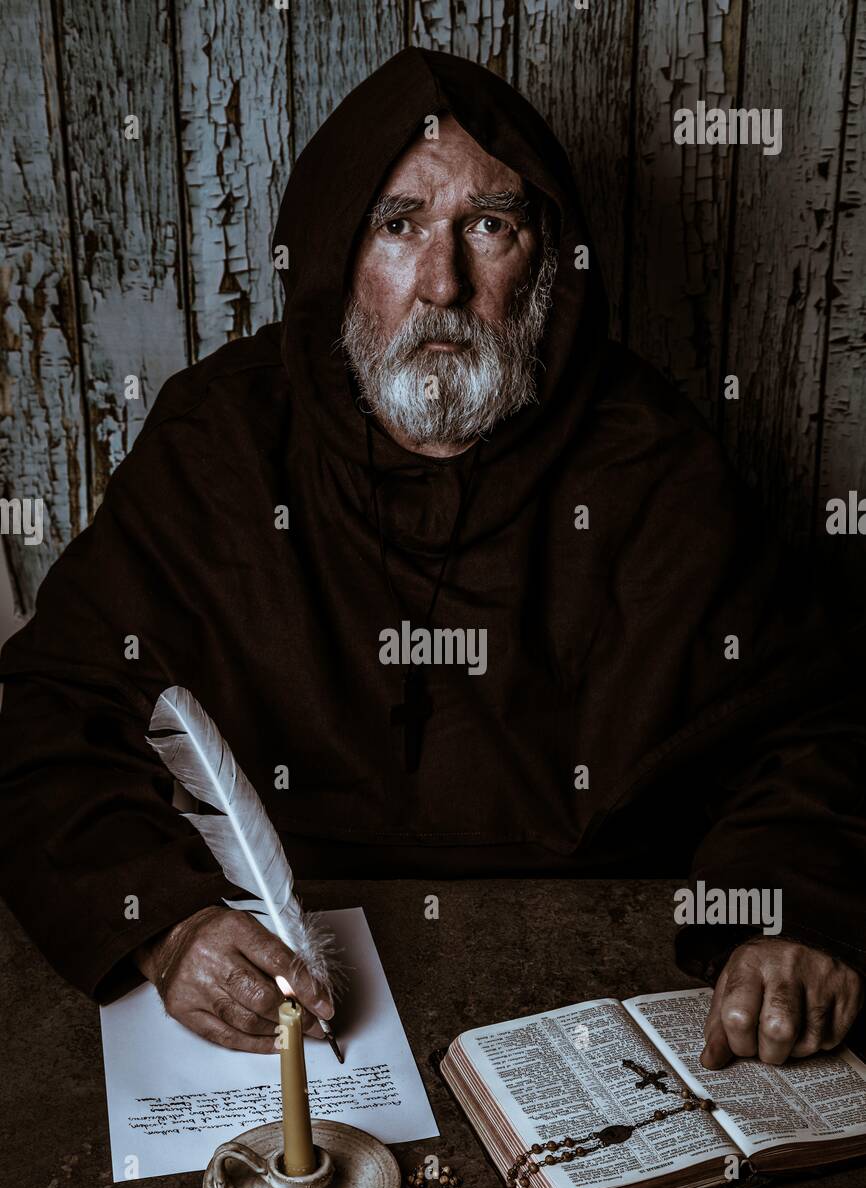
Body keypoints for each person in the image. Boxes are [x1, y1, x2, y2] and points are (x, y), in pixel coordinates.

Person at [0, 48, 863, 1068]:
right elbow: (44, 710)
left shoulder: (655, 460)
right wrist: (167, 924)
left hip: (606, 975)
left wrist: (792, 913)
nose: (441, 283)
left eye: (487, 226)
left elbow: (823, 723)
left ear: (543, 258)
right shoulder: (218, 444)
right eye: (397, 224)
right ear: (334, 249)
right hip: (289, 964)